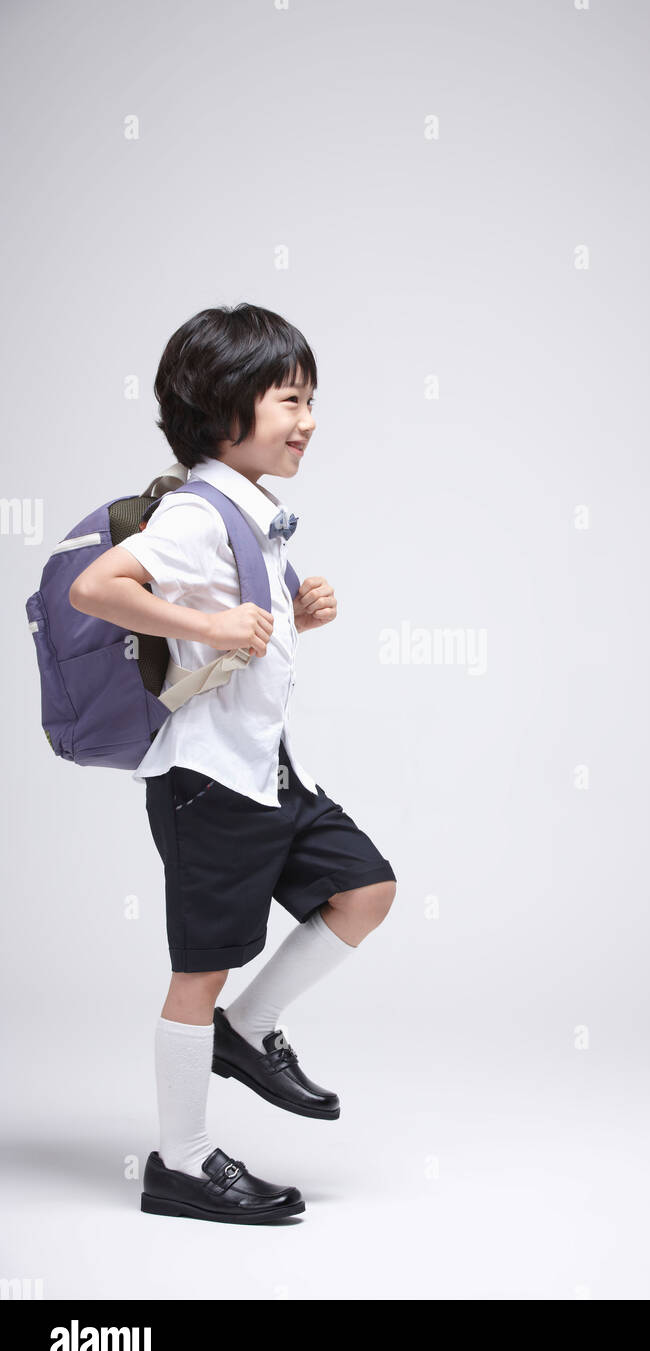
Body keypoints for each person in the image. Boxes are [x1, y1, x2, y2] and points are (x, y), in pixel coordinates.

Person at [69, 302, 397, 1224]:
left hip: (270, 770)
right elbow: (101, 588)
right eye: (291, 399)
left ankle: (247, 1034)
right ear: (227, 412)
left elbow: (250, 634)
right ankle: (180, 1162)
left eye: (311, 399)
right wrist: (208, 623)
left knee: (365, 889)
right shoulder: (195, 513)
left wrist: (302, 610)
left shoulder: (253, 517)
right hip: (209, 782)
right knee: (198, 972)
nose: (309, 420)